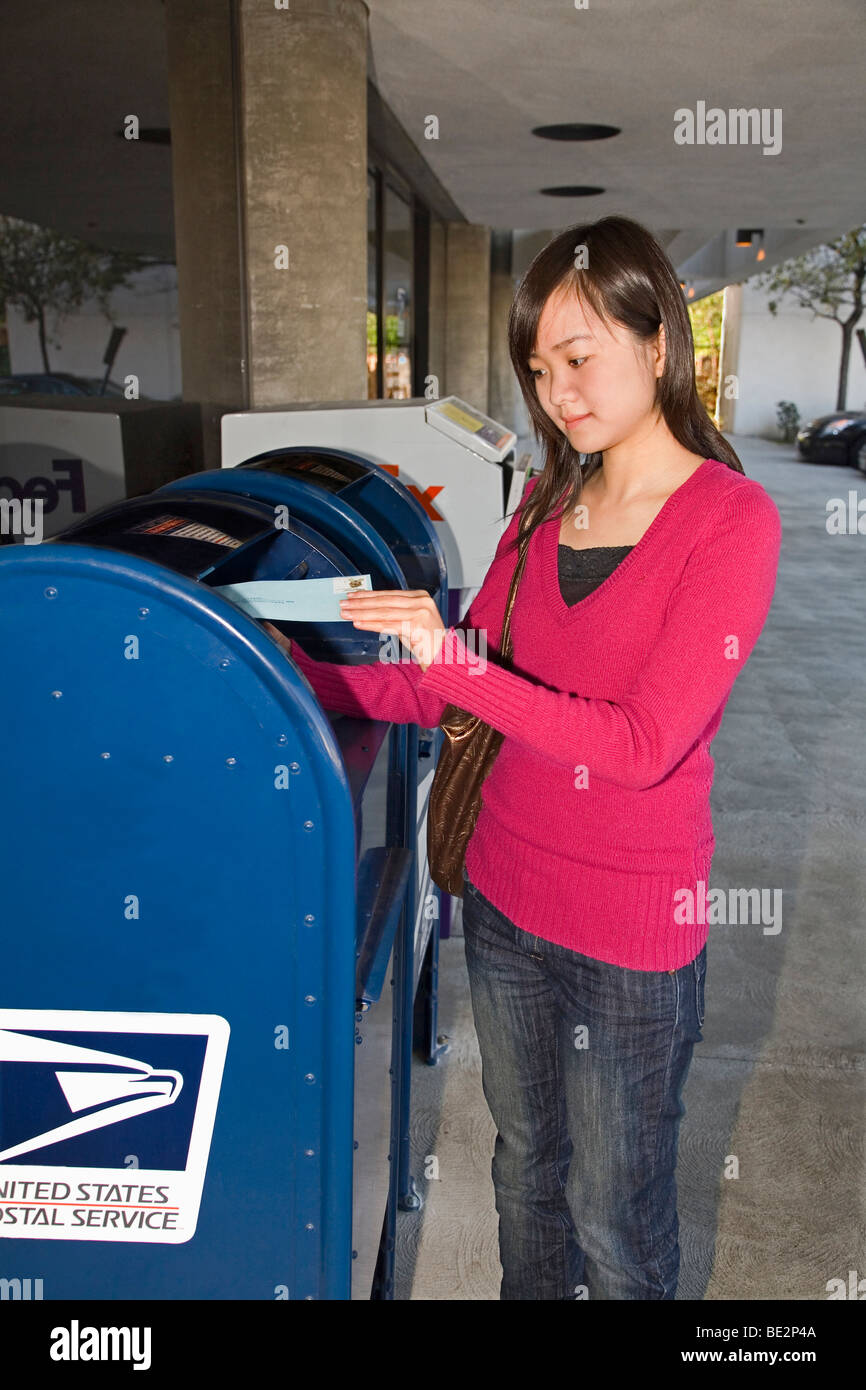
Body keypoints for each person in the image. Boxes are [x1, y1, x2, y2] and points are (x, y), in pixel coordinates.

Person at [265, 214, 782, 1300]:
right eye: (538, 369)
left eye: (578, 357)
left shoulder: (728, 521)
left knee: (616, 1219)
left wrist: (451, 662)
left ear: (658, 342)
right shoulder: (544, 500)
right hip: (501, 903)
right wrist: (289, 675)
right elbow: (450, 688)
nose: (556, 392)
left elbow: (640, 745)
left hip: (631, 936)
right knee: (521, 1175)